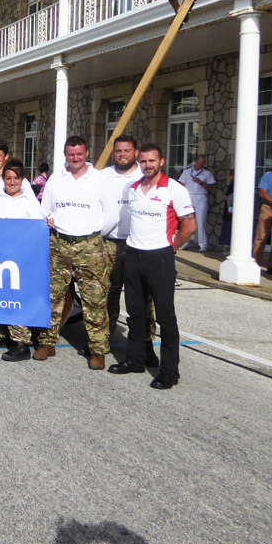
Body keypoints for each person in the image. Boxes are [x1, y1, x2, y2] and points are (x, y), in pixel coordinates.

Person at [109, 144, 195, 390]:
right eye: (144, 161)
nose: (148, 165)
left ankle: (169, 371)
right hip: (134, 255)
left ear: (161, 161)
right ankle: (135, 359)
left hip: (160, 258)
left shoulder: (174, 189)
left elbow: (189, 226)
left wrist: (171, 248)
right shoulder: (134, 188)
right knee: (135, 312)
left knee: (165, 316)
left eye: (152, 161)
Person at [38, 136, 113, 369]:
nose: (76, 158)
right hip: (60, 243)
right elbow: (45, 210)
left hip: (89, 245)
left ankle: (97, 350)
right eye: (71, 155)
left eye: (79, 154)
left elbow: (111, 215)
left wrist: (92, 235)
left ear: (87, 153)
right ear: (65, 155)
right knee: (53, 297)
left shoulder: (100, 180)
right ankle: (47, 342)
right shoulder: (55, 180)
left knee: (95, 299)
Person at [0, 159, 46, 362]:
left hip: (20, 260)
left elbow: (38, 229)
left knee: (16, 299)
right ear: (3, 179)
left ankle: (21, 342)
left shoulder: (29, 202)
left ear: (22, 179)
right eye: (8, 178)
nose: (12, 182)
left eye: (16, 178)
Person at [101, 135, 158, 365]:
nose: (122, 154)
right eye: (118, 151)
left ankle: (146, 343)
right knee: (107, 295)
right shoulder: (103, 176)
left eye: (126, 150)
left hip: (138, 244)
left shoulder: (144, 176)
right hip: (110, 243)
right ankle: (102, 340)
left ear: (135, 153)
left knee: (144, 297)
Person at [178, 154, 215, 251]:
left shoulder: (207, 173)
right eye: (201, 162)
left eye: (204, 162)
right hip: (188, 197)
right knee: (186, 221)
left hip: (200, 197)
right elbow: (182, 185)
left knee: (200, 221)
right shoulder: (187, 172)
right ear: (196, 162)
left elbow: (211, 188)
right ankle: (184, 242)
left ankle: (202, 244)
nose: (203, 164)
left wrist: (200, 182)